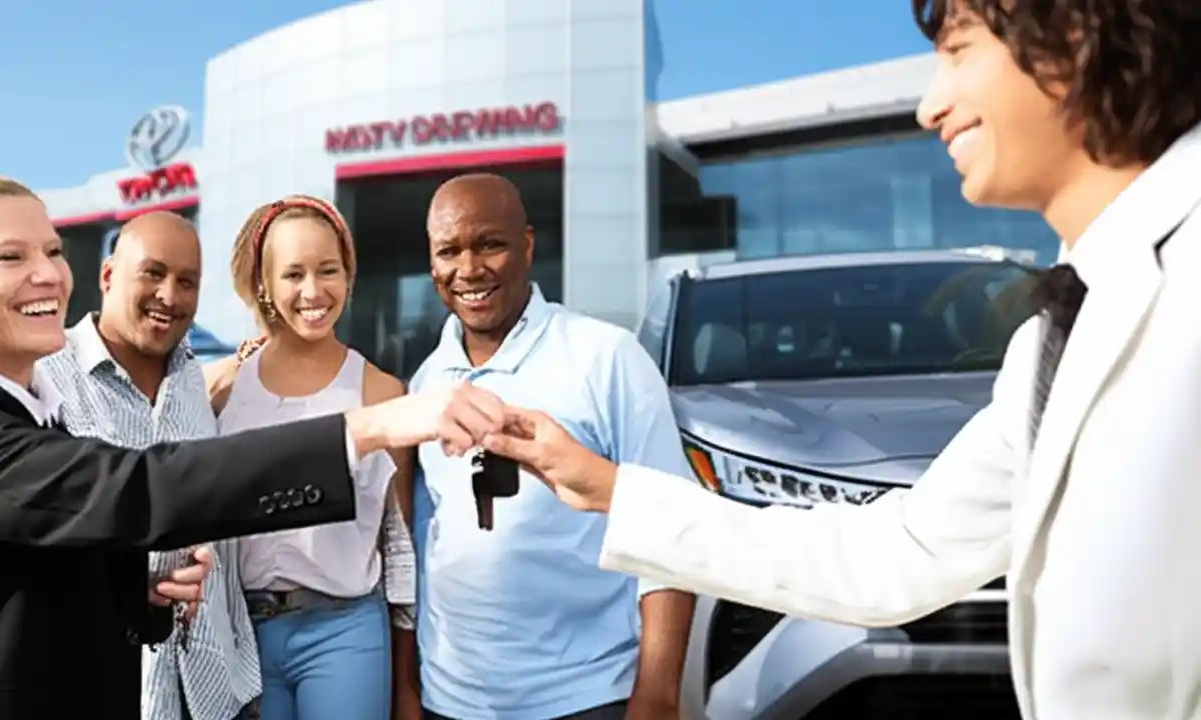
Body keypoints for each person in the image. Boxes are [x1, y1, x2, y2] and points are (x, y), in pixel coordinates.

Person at [481, 2, 1201, 719]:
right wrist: (608, 487)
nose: (930, 106)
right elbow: (901, 551)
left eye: (957, 50)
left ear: (1074, 32)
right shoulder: (1056, 336)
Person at [0, 174, 508, 720]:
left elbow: (26, 571)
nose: (48, 273)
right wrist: (366, 428)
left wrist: (136, 592)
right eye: (9, 257)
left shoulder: (51, 403)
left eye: (52, 251)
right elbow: (145, 485)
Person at [411, 174, 696, 720]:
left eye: (489, 244)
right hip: (451, 702)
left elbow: (670, 528)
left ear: (528, 245)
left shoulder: (605, 356)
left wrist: (658, 696)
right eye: (449, 251)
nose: (468, 269)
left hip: (588, 696)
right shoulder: (425, 385)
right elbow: (422, 548)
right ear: (432, 266)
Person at [205, 195, 421, 720]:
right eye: (293, 274)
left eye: (329, 270)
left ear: (348, 275)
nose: (313, 291)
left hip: (345, 633)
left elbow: (400, 554)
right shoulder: (221, 388)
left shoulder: (383, 391)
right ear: (264, 284)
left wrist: (406, 688)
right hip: (241, 634)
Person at [39, 211, 261, 720]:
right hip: (108, 690)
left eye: (187, 282)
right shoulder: (47, 378)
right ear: (109, 275)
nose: (170, 295)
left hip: (214, 693)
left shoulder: (194, 381)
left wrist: (242, 677)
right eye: (153, 273)